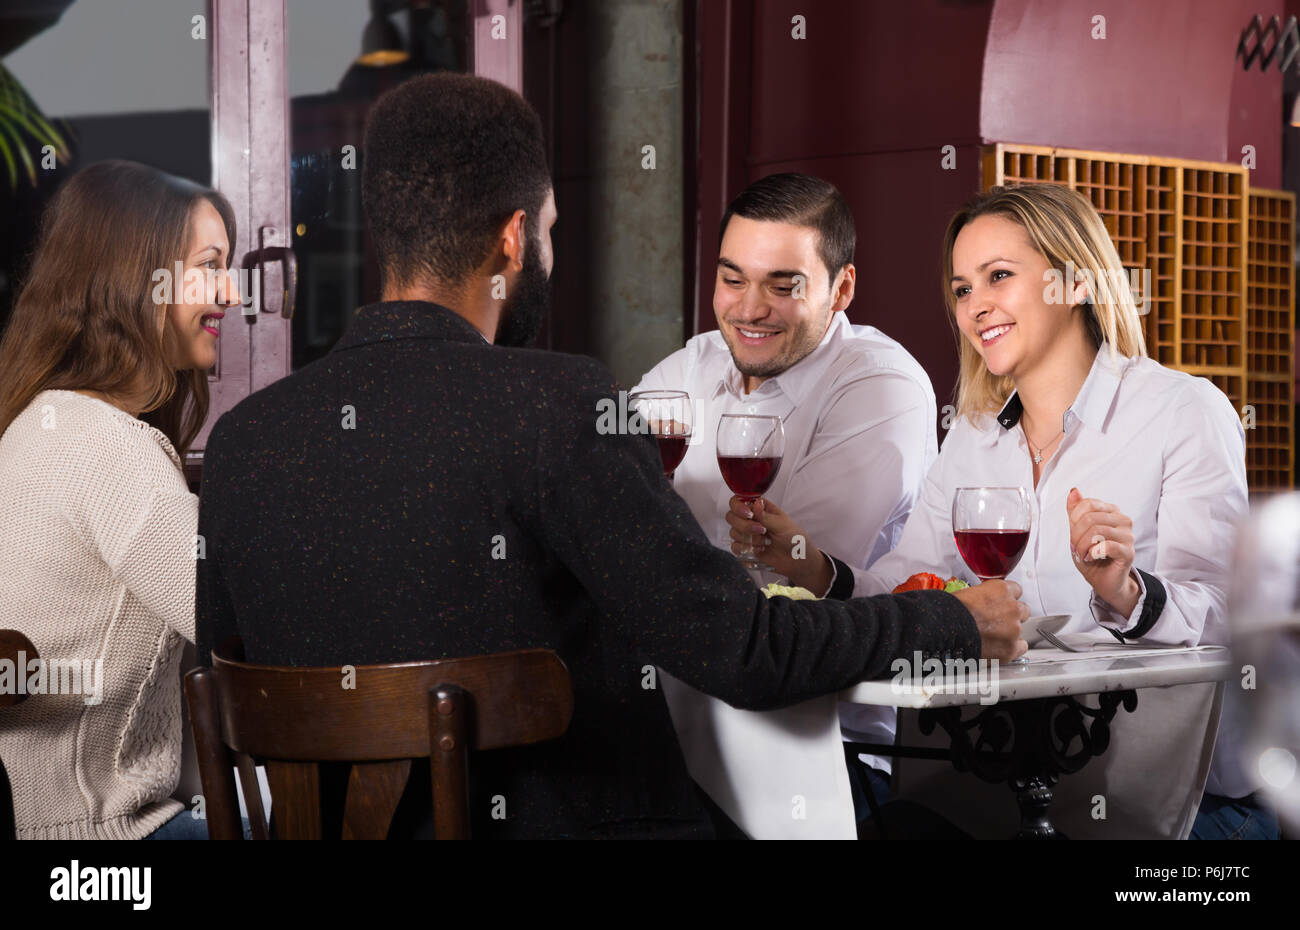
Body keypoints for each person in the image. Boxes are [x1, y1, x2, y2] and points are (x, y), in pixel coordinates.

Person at [193, 72, 1028, 840]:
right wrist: (956, 619)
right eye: (550, 231)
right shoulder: (558, 407)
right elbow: (744, 650)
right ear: (515, 240)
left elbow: (230, 682)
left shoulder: (242, 445)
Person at [737, 182, 1275, 839]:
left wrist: (1129, 592)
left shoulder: (1183, 412)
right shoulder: (974, 434)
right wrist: (814, 566)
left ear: (1077, 282)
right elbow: (911, 586)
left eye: (998, 276)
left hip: (1176, 801)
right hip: (1000, 786)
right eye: (963, 288)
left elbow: (1227, 618)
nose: (976, 306)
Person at [631, 172, 939, 837]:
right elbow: (600, 498)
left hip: (821, 754)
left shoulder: (881, 385)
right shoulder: (695, 365)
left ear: (842, 289)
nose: (748, 309)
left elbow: (776, 603)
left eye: (782, 285)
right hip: (675, 736)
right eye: (733, 279)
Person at [0, 159, 242, 839]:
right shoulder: (111, 450)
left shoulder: (35, 424)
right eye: (210, 265)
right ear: (138, 276)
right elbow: (247, 625)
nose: (230, 291)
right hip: (102, 846)